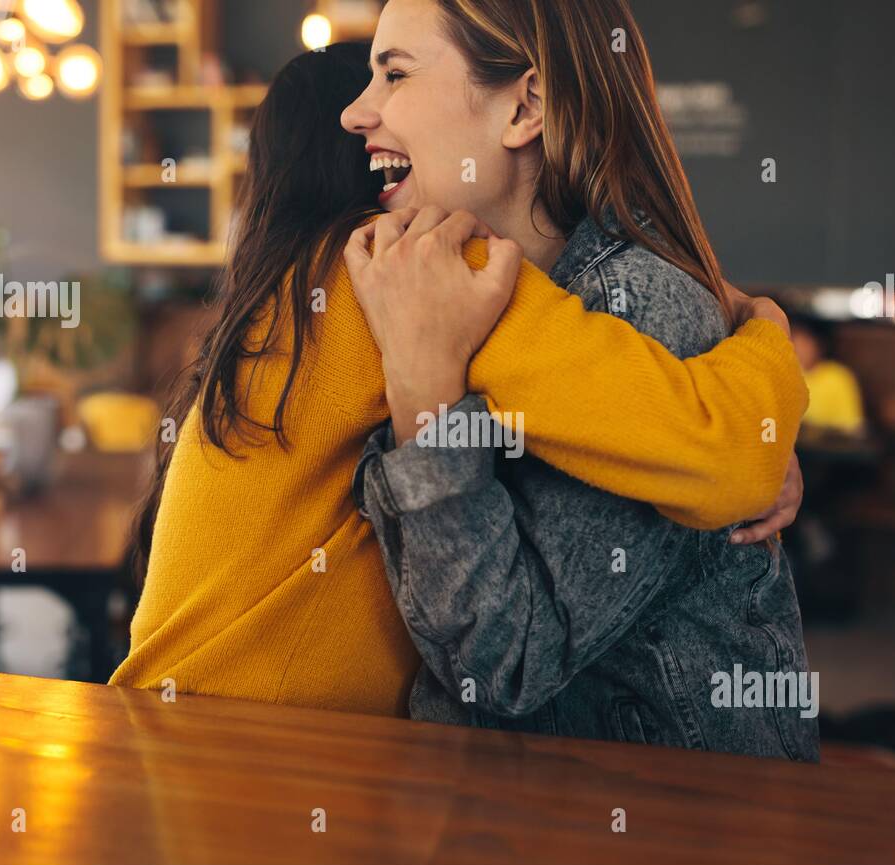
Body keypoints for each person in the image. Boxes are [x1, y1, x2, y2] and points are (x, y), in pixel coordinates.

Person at [112, 40, 806, 736]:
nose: (369, 112)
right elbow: (726, 454)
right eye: (377, 81)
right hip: (263, 769)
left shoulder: (289, 297)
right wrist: (760, 331)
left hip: (175, 743)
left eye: (398, 79)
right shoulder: (406, 265)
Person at [343, 0, 818, 759]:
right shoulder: (429, 286)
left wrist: (424, 396)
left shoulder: (642, 310)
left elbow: (502, 666)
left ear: (525, 106)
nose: (355, 111)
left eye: (393, 74)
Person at [792, 319, 866, 436]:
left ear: (818, 345)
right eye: (793, 343)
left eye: (804, 344)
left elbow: (851, 427)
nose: (798, 350)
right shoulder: (785, 376)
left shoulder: (838, 377)